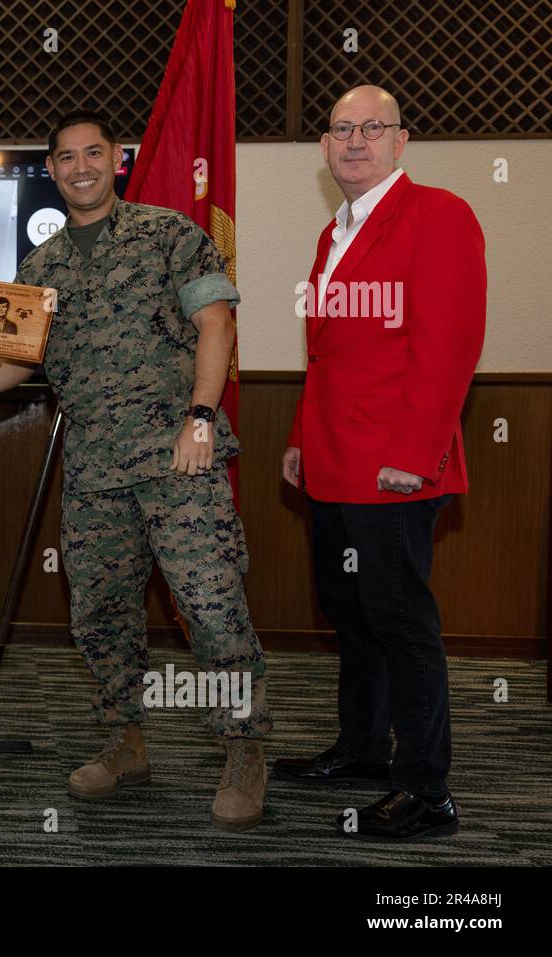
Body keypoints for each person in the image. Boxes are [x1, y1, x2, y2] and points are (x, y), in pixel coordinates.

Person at [0, 111, 272, 831]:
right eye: (66, 157)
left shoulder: (169, 235)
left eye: (93, 152)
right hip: (94, 469)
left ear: (116, 160)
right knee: (101, 616)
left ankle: (245, 742)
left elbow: (217, 324)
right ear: (55, 172)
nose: (81, 166)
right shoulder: (41, 270)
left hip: (176, 456)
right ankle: (127, 739)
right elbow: (13, 363)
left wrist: (200, 416)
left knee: (213, 608)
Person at [274, 86, 486, 842]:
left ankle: (427, 790)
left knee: (400, 620)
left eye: (372, 128)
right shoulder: (335, 232)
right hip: (334, 461)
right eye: (340, 129)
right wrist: (301, 433)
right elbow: (326, 355)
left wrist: (411, 455)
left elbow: (449, 348)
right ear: (326, 148)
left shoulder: (439, 215)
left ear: (401, 142)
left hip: (395, 467)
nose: (354, 140)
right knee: (351, 612)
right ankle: (363, 750)